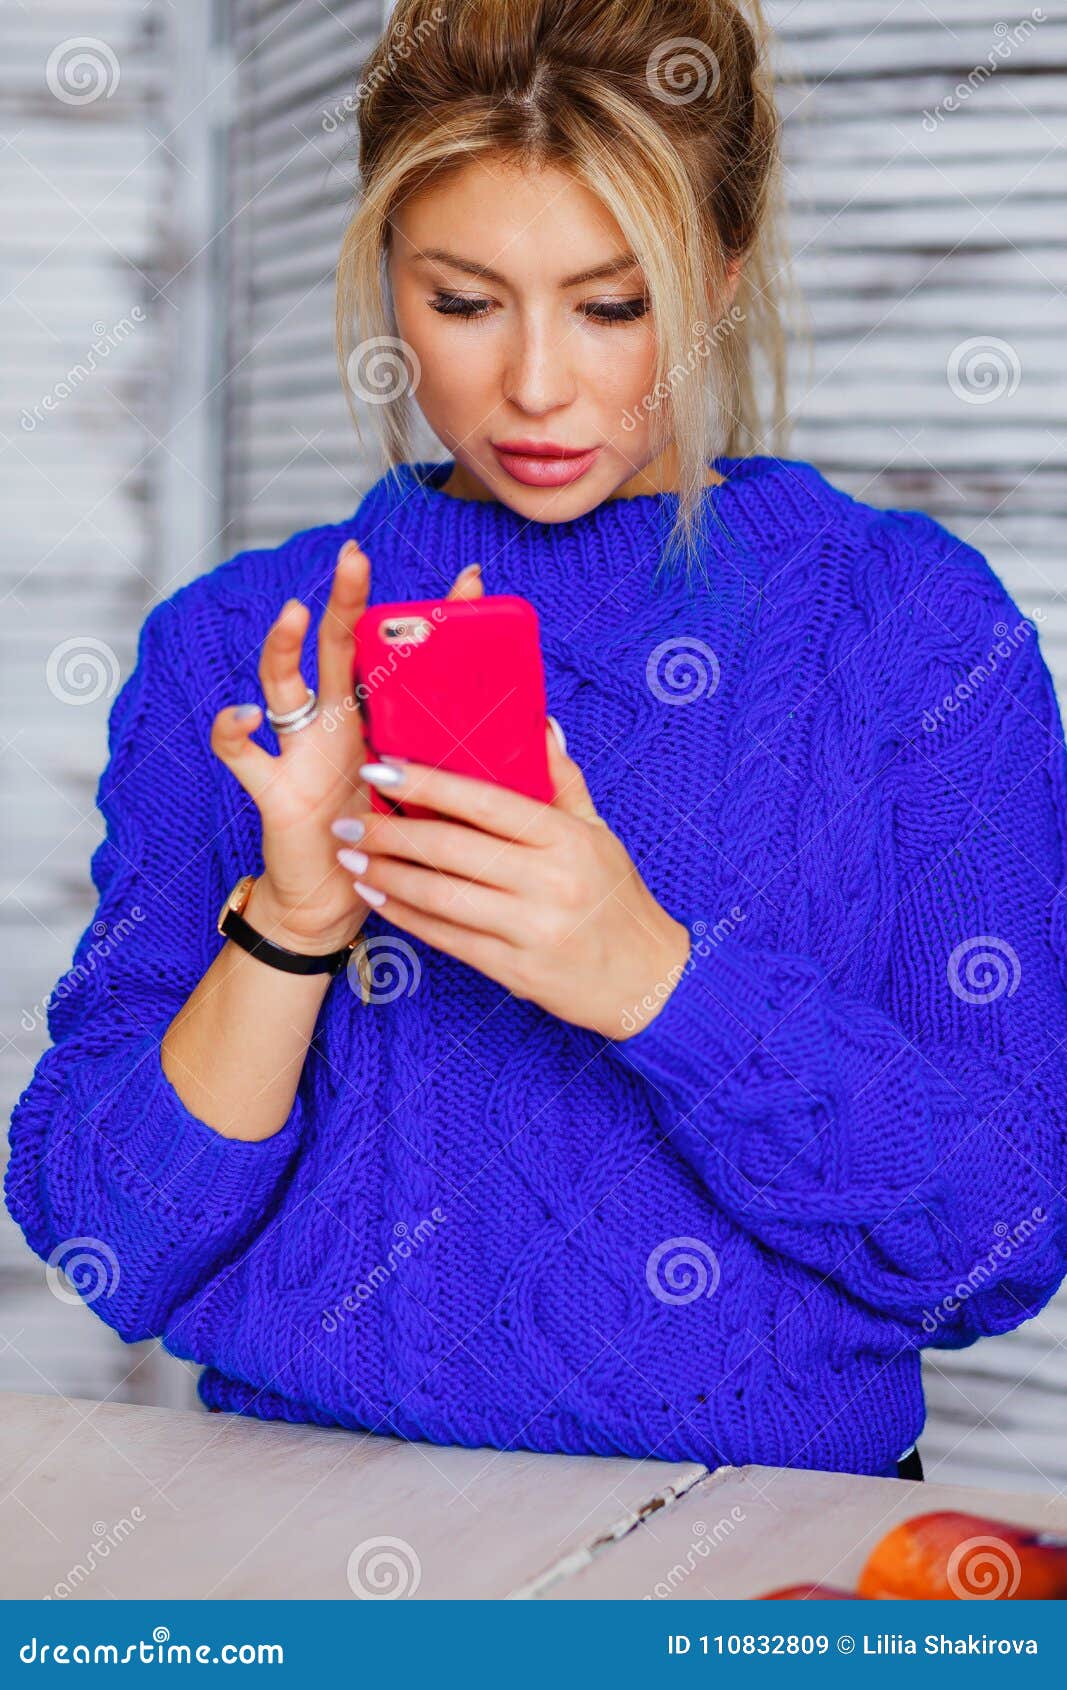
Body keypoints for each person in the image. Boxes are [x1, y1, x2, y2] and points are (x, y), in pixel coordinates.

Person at [7, 0, 1067, 1485]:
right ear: (387, 279)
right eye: (462, 301)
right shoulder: (239, 650)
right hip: (309, 1557)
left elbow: (998, 1240)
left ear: (724, 274)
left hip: (750, 1564)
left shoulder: (913, 633)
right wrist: (297, 924)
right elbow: (104, 1243)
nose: (537, 387)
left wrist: (648, 979)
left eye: (614, 305)